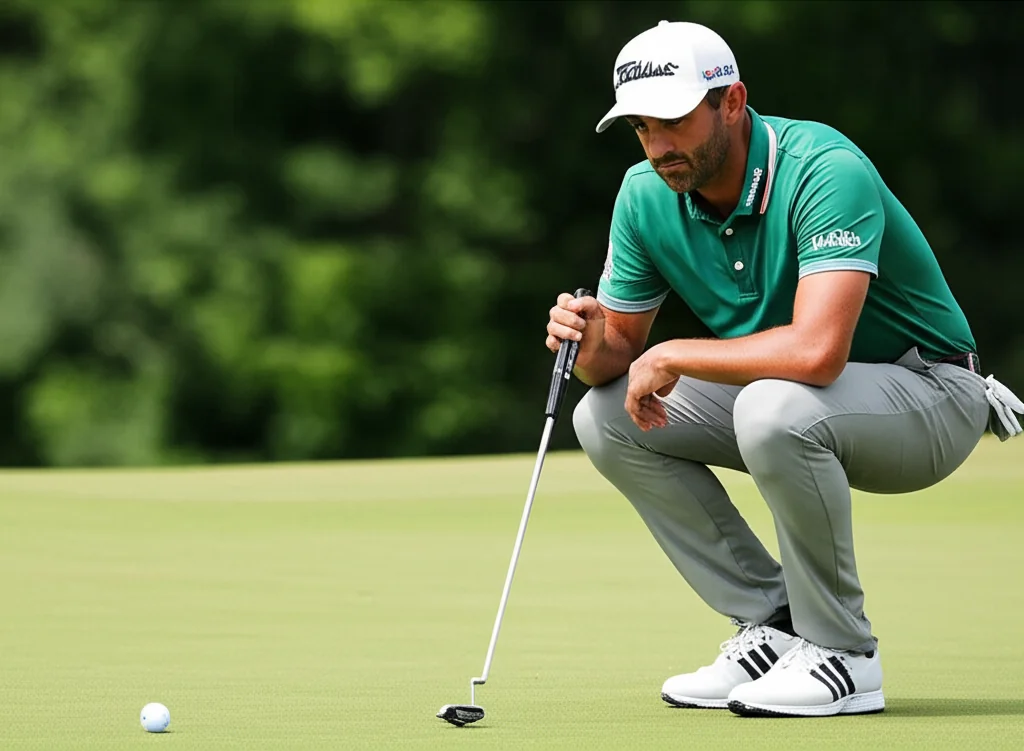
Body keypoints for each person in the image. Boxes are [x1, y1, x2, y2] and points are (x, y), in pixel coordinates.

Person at [545, 20, 1024, 718]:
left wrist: (674, 351)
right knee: (607, 414)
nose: (659, 147)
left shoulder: (824, 167)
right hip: (796, 398)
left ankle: (845, 655)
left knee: (774, 406)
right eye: (643, 128)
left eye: (674, 122)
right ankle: (773, 626)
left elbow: (816, 352)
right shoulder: (644, 193)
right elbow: (616, 358)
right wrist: (584, 339)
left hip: (931, 395)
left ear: (732, 102)